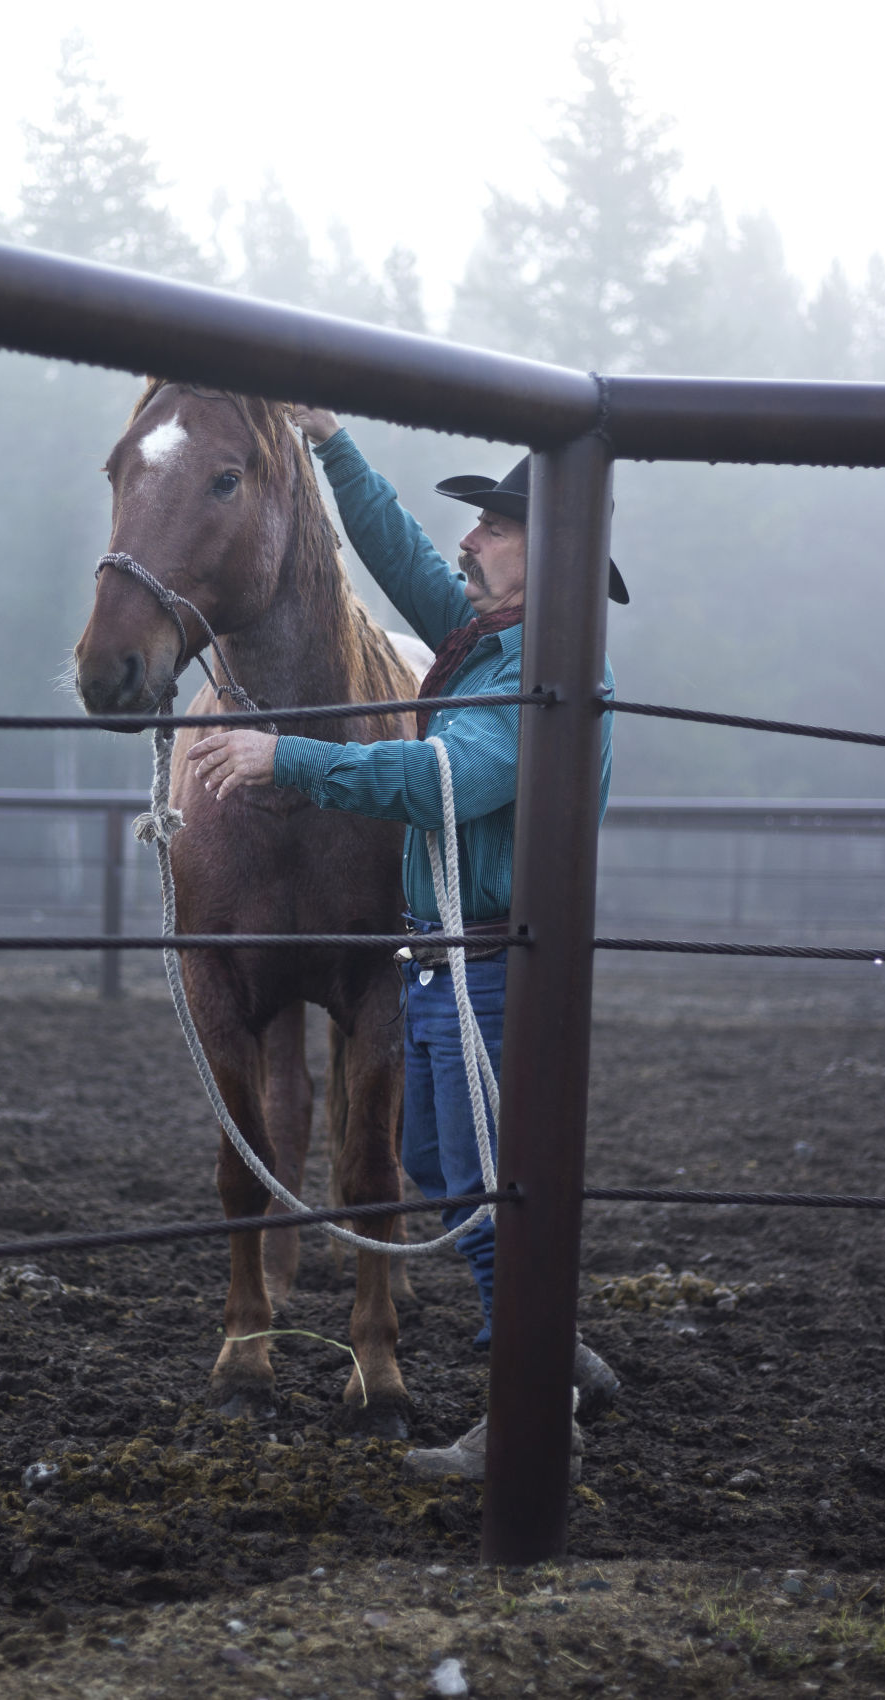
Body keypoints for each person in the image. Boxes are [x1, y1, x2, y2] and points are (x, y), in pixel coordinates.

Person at [186, 408, 625, 1473]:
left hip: (487, 962)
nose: (467, 543)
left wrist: (282, 761)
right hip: (440, 961)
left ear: (547, 558)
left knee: (483, 1184)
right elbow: (393, 551)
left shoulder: (540, 683)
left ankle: (528, 1412)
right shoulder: (486, 643)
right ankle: (558, 1356)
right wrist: (333, 445)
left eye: (494, 527)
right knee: (434, 1163)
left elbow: (434, 782)